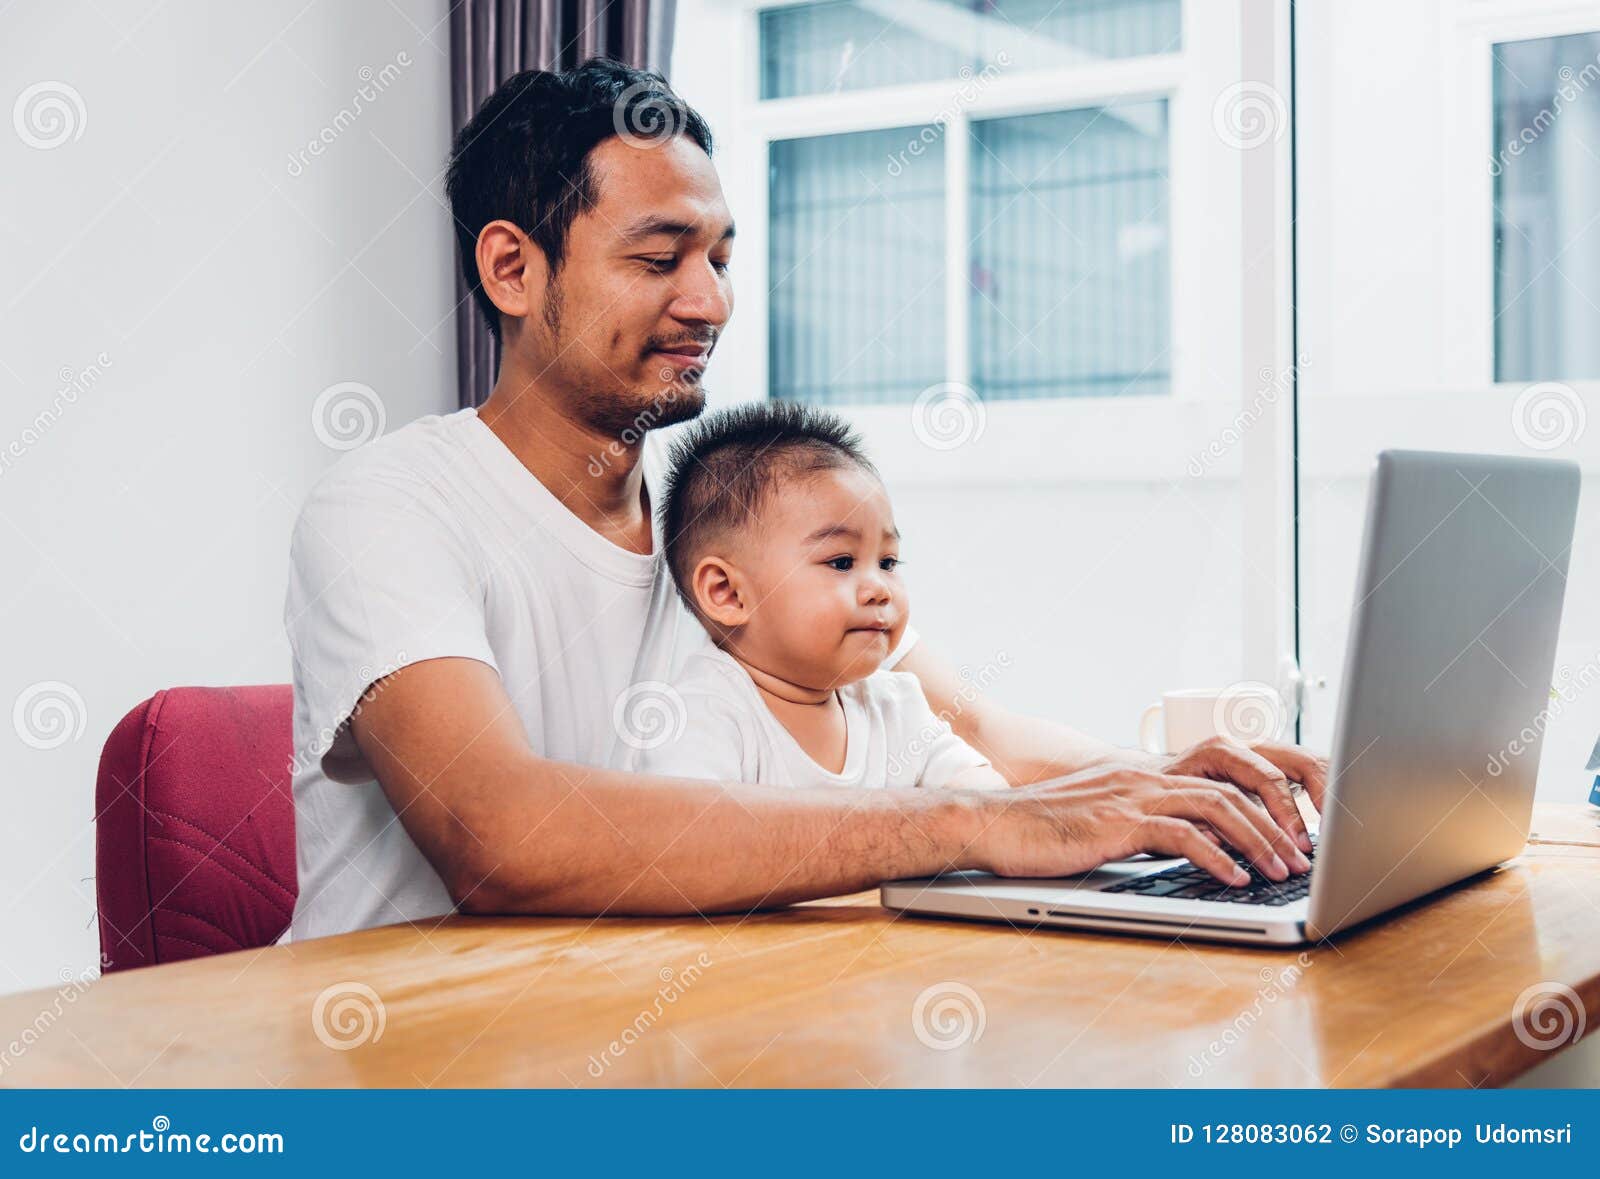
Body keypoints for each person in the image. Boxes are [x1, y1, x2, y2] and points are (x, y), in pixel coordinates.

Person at [283, 59, 1322, 941]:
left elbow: (966, 723)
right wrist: (967, 825)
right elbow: (494, 836)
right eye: (658, 259)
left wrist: (1178, 791)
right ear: (513, 268)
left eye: (720, 259)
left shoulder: (722, 517)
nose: (710, 302)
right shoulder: (389, 507)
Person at [641, 399, 1006, 791]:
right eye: (842, 562)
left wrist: (976, 800)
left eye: (887, 562)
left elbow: (978, 795)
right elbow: (700, 838)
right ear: (728, 593)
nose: (879, 589)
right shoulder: (703, 717)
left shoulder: (895, 704)